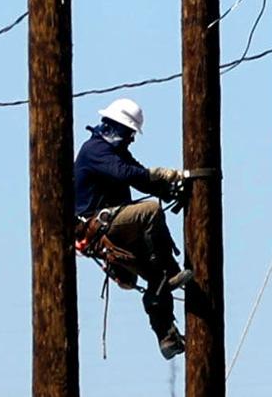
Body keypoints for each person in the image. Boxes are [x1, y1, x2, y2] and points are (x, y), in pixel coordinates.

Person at [74, 97, 191, 360]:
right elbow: (126, 174)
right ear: (116, 127)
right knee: (150, 211)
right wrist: (158, 175)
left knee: (157, 277)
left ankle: (166, 336)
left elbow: (136, 174)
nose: (131, 139)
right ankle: (170, 269)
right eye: (129, 133)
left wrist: (165, 185)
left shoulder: (114, 151)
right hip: (99, 228)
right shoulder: (95, 150)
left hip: (114, 228)